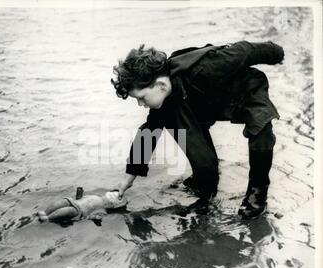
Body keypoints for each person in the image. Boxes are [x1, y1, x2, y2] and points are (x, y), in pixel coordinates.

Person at [111, 40, 284, 219]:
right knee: (204, 172)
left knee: (261, 126)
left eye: (142, 98)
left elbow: (247, 50)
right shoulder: (163, 103)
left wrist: (277, 53)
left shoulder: (207, 65)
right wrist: (126, 181)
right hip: (202, 105)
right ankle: (204, 185)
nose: (141, 104)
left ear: (161, 85)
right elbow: (148, 135)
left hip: (245, 91)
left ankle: (257, 191)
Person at [37, 191, 127, 223]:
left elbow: (92, 216)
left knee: (68, 211)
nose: (111, 196)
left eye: (113, 198)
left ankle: (48, 218)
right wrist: (79, 194)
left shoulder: (103, 210)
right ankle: (46, 212)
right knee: (63, 201)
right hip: (74, 201)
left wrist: (96, 218)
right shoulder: (95, 196)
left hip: (78, 211)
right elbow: (83, 197)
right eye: (112, 194)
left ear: (112, 205)